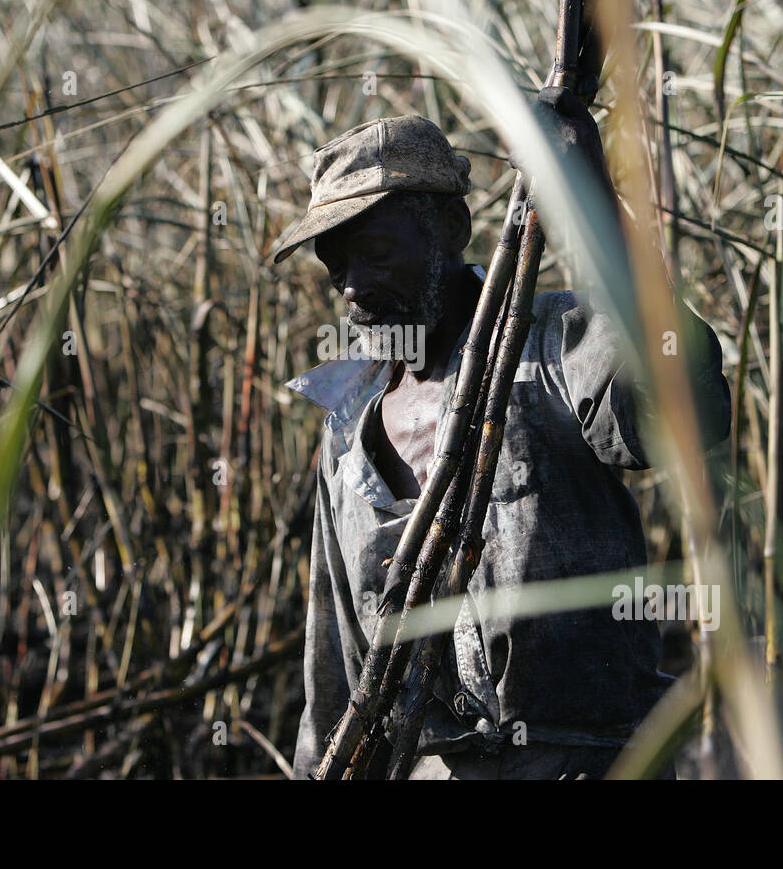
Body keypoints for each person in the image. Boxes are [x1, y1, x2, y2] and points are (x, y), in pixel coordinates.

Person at [273, 90, 731, 779]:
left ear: (450, 227)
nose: (354, 288)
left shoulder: (556, 345)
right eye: (337, 268)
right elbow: (335, 668)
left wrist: (593, 199)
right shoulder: (348, 429)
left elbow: (689, 413)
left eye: (374, 253)